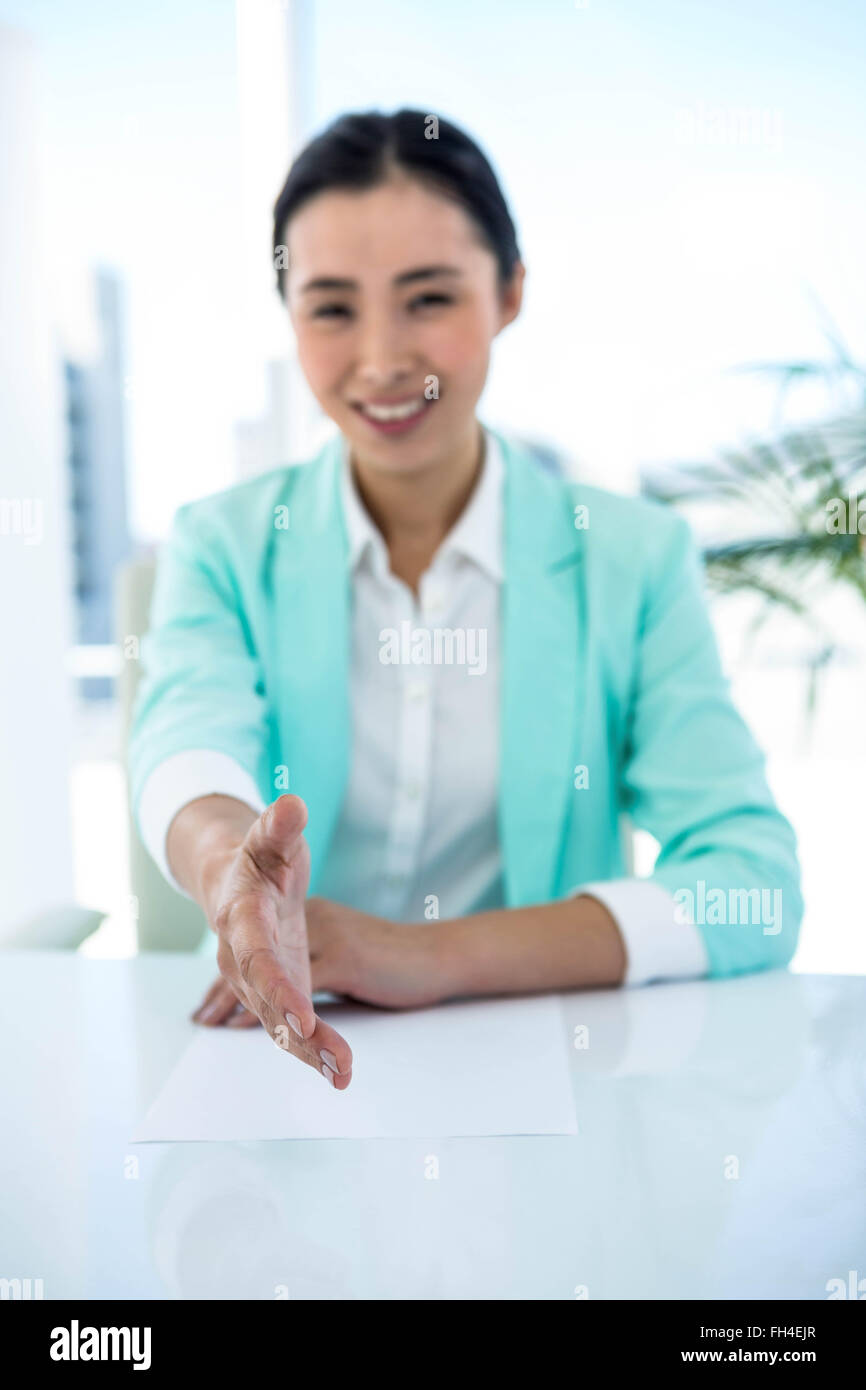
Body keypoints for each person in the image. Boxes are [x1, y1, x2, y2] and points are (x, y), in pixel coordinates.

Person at [128, 109, 803, 1091]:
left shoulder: (631, 559)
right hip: (263, 1069)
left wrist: (423, 954)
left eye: (428, 297)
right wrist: (226, 859)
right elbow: (186, 735)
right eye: (330, 308)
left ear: (509, 292)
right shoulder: (221, 545)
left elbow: (753, 882)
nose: (381, 358)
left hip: (547, 1075)